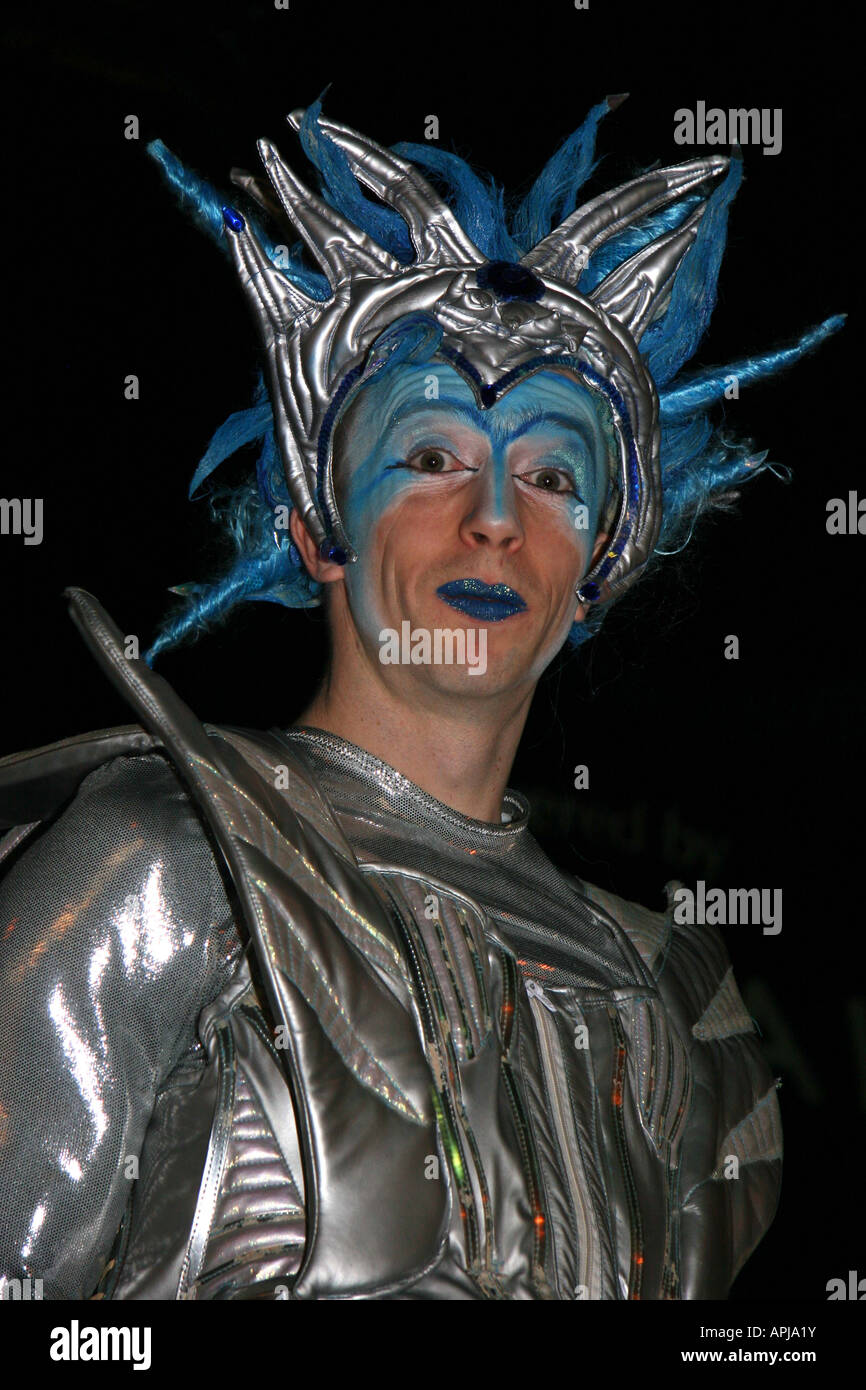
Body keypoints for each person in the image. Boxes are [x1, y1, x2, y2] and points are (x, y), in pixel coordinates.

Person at [0, 99, 842, 1301]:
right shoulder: (161, 864)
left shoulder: (680, 1011)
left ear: (598, 571)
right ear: (315, 525)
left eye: (551, 476)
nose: (494, 516)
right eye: (432, 456)